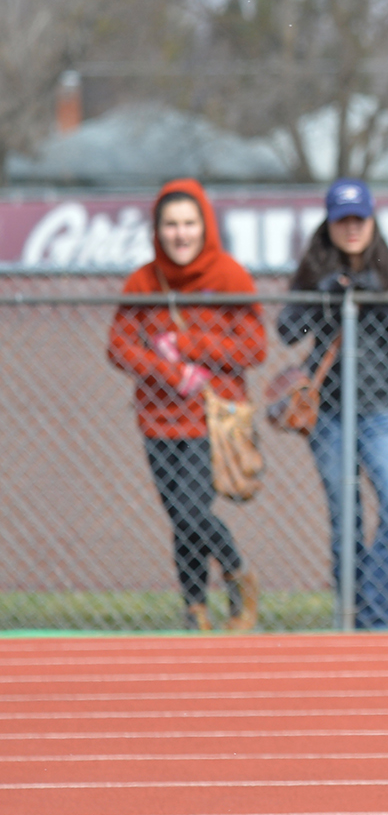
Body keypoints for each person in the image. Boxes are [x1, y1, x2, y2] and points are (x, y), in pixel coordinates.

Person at [277, 178, 388, 630]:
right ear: (329, 223)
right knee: (344, 519)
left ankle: (375, 614)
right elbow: (287, 329)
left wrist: (386, 302)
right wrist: (324, 298)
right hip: (329, 413)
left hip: (384, 408)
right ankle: (350, 617)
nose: (351, 228)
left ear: (372, 220)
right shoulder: (314, 266)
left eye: (359, 219)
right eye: (342, 220)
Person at [107, 179, 267, 631]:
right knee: (180, 517)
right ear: (158, 229)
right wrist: (170, 371)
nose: (181, 234)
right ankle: (195, 609)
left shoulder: (231, 276)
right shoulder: (143, 281)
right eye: (171, 225)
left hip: (210, 418)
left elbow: (254, 347)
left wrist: (190, 344)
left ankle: (239, 575)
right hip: (157, 419)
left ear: (205, 225)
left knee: (192, 511)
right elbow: (118, 346)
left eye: (189, 224)